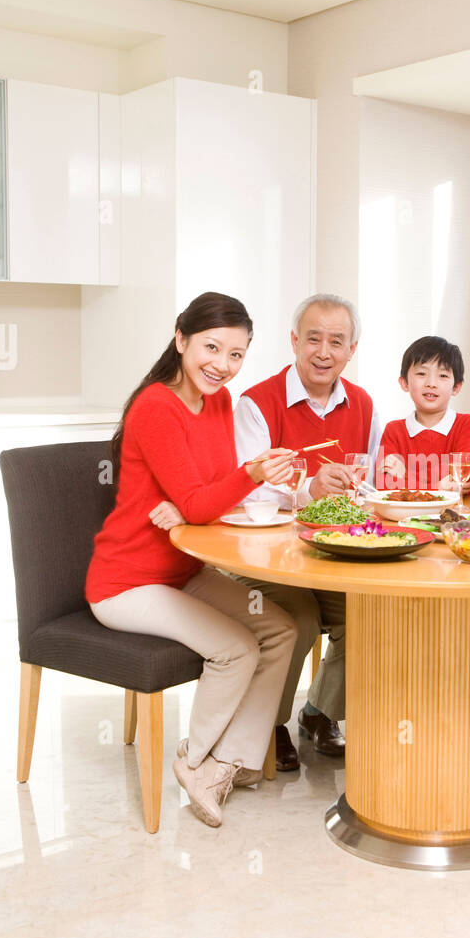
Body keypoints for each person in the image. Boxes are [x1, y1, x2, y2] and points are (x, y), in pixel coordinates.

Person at [86, 293, 299, 829]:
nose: (222, 365)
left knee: (281, 628)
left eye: (236, 355)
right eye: (211, 347)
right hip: (126, 584)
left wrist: (188, 503)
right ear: (180, 339)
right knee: (236, 649)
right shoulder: (156, 406)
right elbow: (209, 500)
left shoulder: (221, 403)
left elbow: (206, 494)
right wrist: (235, 482)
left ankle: (229, 762)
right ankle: (195, 760)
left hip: (183, 569)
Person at [233, 293, 381, 765]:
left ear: (351, 350)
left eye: (336, 342)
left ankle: (319, 710)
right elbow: (246, 492)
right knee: (295, 622)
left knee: (375, 614)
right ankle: (269, 723)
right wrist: (307, 488)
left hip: (336, 553)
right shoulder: (256, 403)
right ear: (294, 341)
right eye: (313, 338)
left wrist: (365, 487)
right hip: (267, 560)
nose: (324, 352)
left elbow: (374, 482)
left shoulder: (363, 404)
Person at [380, 335, 470, 490]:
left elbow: (461, 472)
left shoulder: (466, 424)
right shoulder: (393, 430)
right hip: (402, 515)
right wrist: (439, 486)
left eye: (443, 376)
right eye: (421, 374)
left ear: (456, 387)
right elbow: (384, 485)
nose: (431, 383)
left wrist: (405, 476)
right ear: (404, 383)